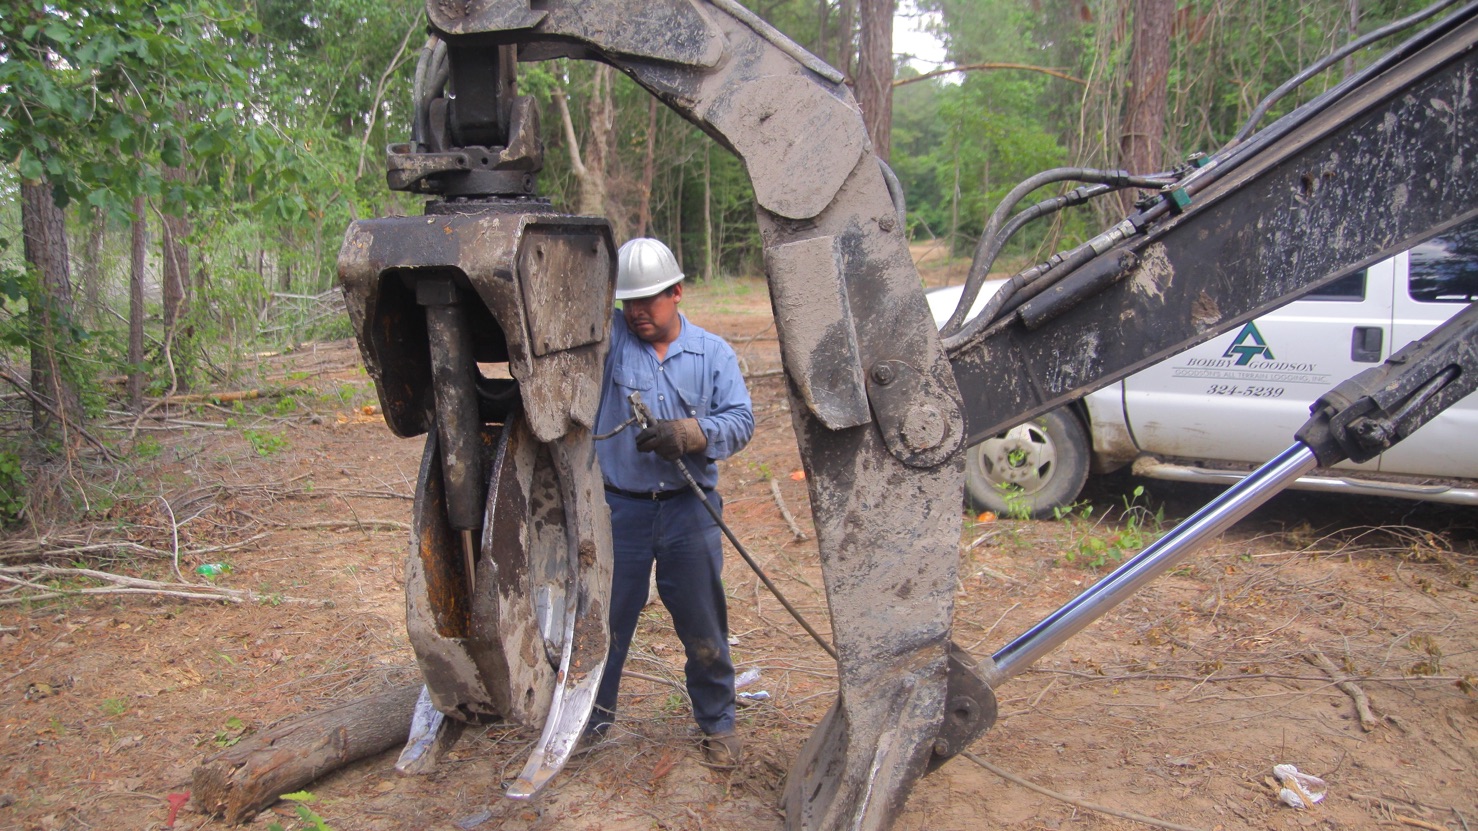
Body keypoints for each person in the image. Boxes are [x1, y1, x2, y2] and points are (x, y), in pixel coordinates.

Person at [590, 237, 755, 767]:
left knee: (704, 622)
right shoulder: (609, 343)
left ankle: (718, 723)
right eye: (628, 302)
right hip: (621, 511)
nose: (636, 312)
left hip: (690, 509)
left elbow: (741, 421)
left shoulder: (712, 353)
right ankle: (589, 723)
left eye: (648, 300)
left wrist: (689, 433)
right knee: (606, 623)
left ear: (677, 292)